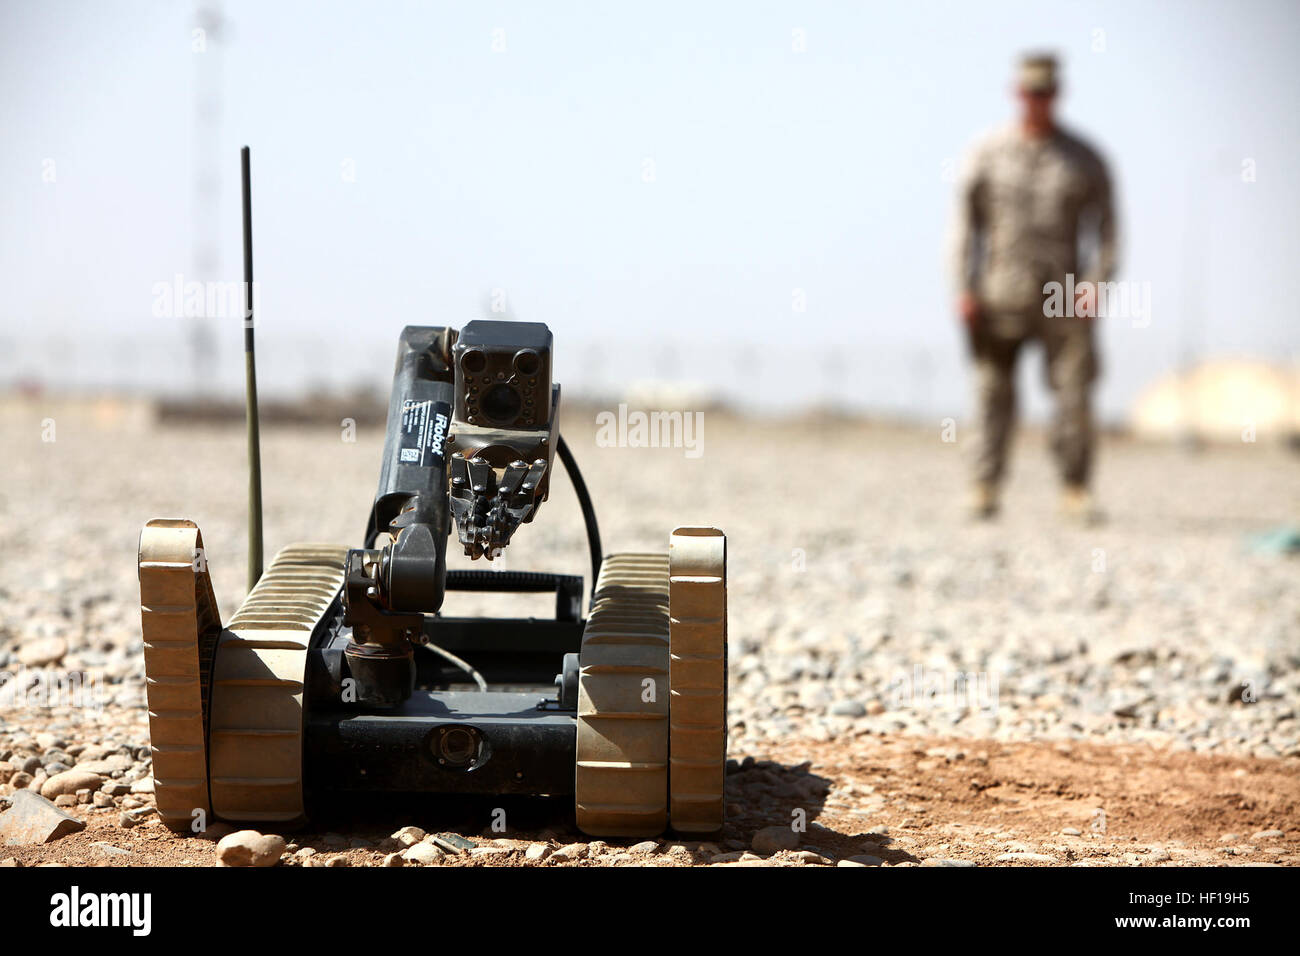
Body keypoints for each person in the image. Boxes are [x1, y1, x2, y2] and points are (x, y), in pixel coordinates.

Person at [949, 53, 1117, 522]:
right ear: (1017, 93)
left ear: (1057, 94)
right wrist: (963, 287)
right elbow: (964, 227)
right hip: (999, 291)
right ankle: (983, 486)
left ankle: (1075, 488)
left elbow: (1109, 232)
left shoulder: (1084, 158)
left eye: (1046, 92)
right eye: (1031, 91)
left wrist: (1094, 284)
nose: (1038, 100)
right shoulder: (987, 152)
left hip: (1063, 294)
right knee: (991, 393)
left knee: (1073, 394)